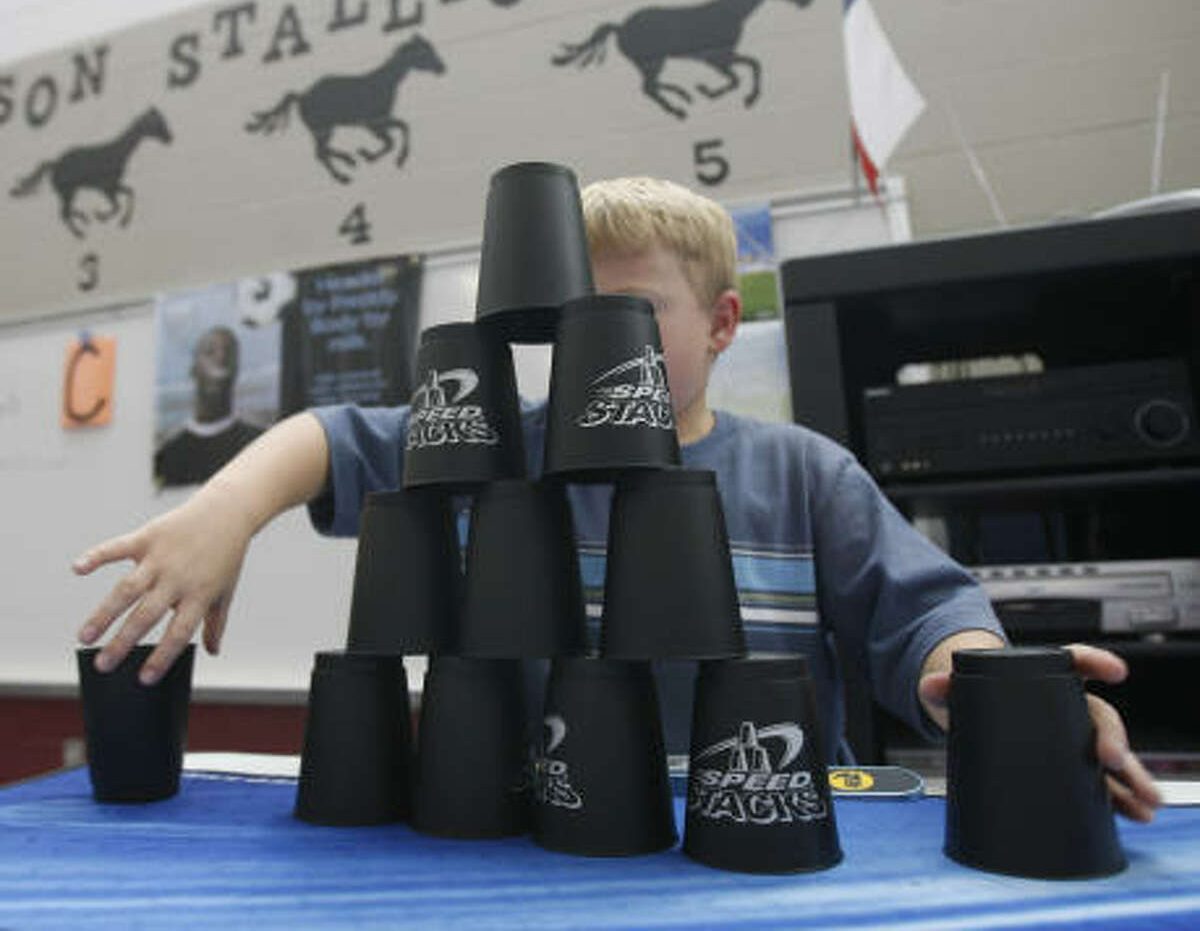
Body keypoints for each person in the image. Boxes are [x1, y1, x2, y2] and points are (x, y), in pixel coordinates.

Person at [75, 177, 1161, 822]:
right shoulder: (496, 448)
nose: (594, 344)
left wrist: (981, 689)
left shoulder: (802, 473)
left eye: (630, 314)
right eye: (574, 314)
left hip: (750, 826)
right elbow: (336, 436)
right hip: (533, 828)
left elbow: (927, 616)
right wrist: (225, 511)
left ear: (724, 324)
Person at [154, 325, 265, 487]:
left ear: (236, 369)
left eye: (229, 353)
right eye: (210, 352)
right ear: (193, 370)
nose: (221, 358)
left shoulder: (260, 445)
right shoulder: (167, 456)